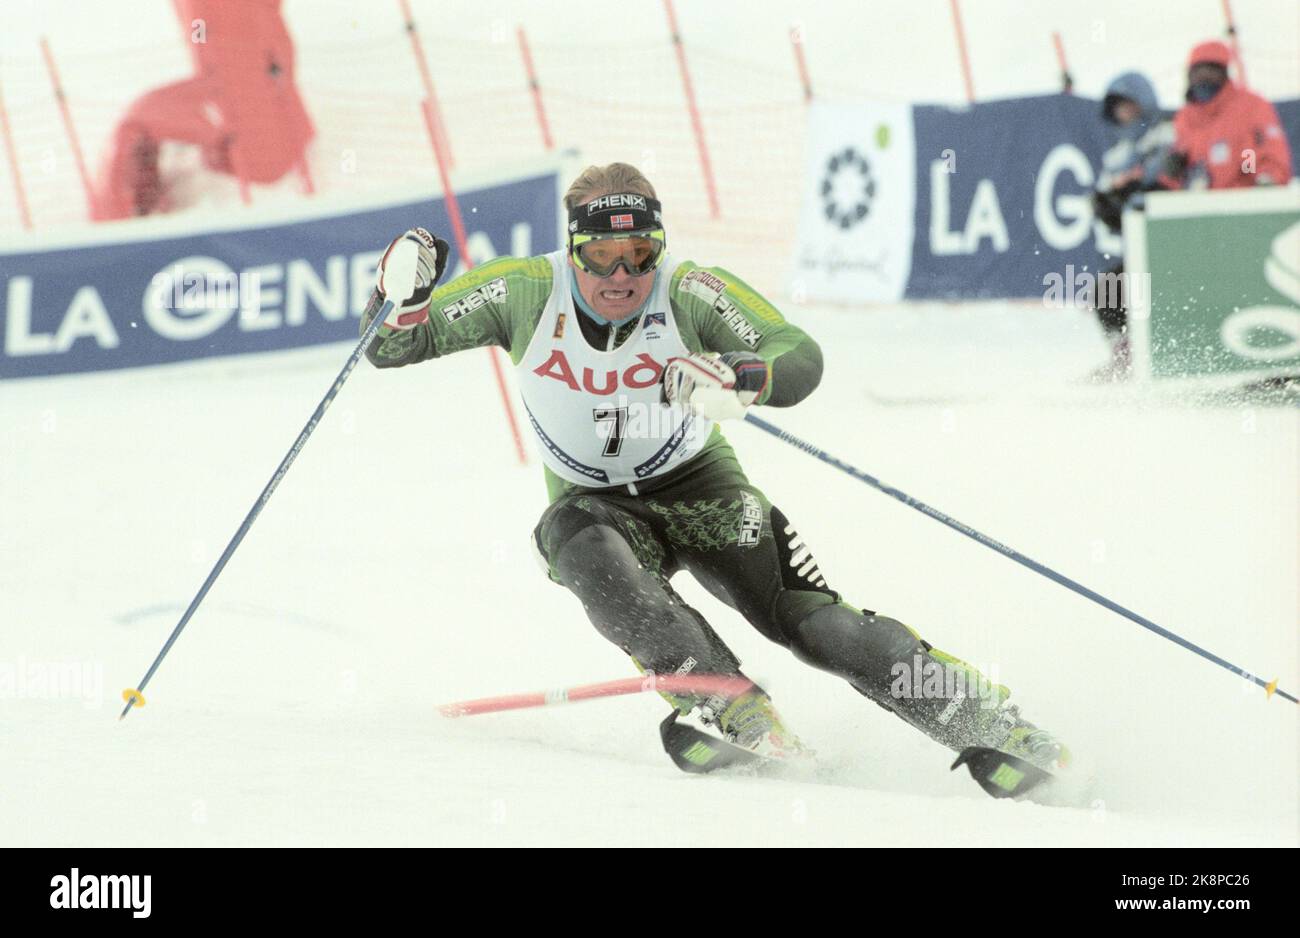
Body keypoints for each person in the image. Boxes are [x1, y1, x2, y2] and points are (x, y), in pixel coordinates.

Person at [360, 163, 1068, 786]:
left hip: (702, 488)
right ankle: (727, 702)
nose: (620, 277)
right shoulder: (522, 289)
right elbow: (395, 346)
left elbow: (800, 355)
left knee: (819, 629)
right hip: (592, 504)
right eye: (600, 255)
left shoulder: (692, 290)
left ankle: (992, 724)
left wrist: (741, 375)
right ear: (573, 249)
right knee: (580, 548)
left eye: (640, 254)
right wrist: (403, 296)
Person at [1089, 72, 1175, 381]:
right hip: (1141, 243)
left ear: (1144, 103)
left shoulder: (1168, 133)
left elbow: (1168, 178)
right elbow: (1111, 202)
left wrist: (1139, 189)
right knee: (1107, 292)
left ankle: (1162, 356)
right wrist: (1106, 205)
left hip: (1173, 239)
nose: (1124, 113)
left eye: (1129, 105)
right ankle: (1126, 356)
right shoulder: (1118, 152)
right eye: (1118, 107)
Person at [1160, 40, 1293, 191]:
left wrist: (1267, 179)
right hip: (1198, 204)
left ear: (1224, 72)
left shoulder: (1250, 106)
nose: (1203, 76)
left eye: (1211, 69)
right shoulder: (1184, 118)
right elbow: (1176, 171)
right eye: (1198, 70)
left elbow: (1269, 152)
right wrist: (1171, 173)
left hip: (1243, 200)